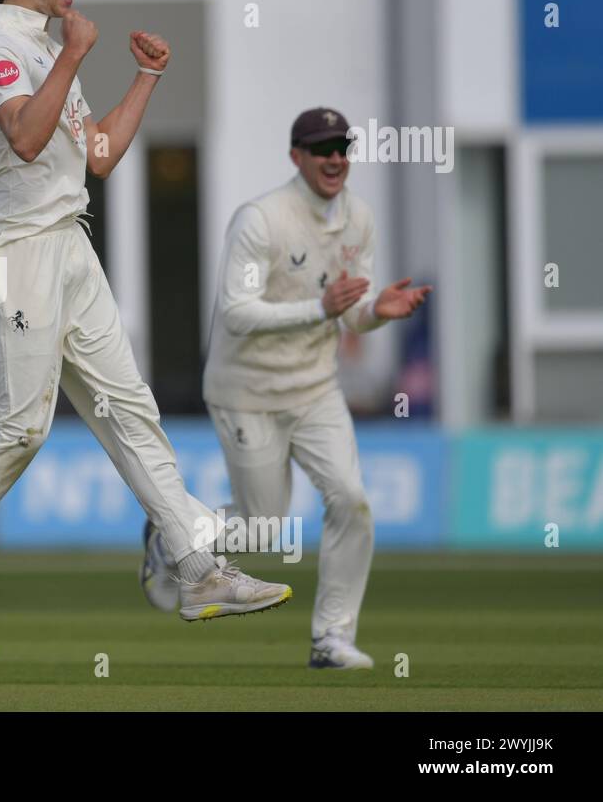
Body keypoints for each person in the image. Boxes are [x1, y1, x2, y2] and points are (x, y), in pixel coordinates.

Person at [0, 0, 293, 663]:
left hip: (69, 244)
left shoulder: (50, 45)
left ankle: (195, 569)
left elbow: (101, 155)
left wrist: (147, 76)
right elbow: (22, 139)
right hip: (16, 247)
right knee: (21, 423)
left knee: (129, 407)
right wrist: (75, 57)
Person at [141, 107, 433, 669]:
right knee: (262, 531)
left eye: (343, 148)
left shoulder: (360, 220)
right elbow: (237, 311)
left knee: (352, 500)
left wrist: (378, 311)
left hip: (316, 390)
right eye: (322, 149)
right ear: (296, 156)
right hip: (245, 390)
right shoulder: (262, 220)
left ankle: (331, 638)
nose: (335, 159)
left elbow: (350, 318)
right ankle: (169, 533)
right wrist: (318, 308)